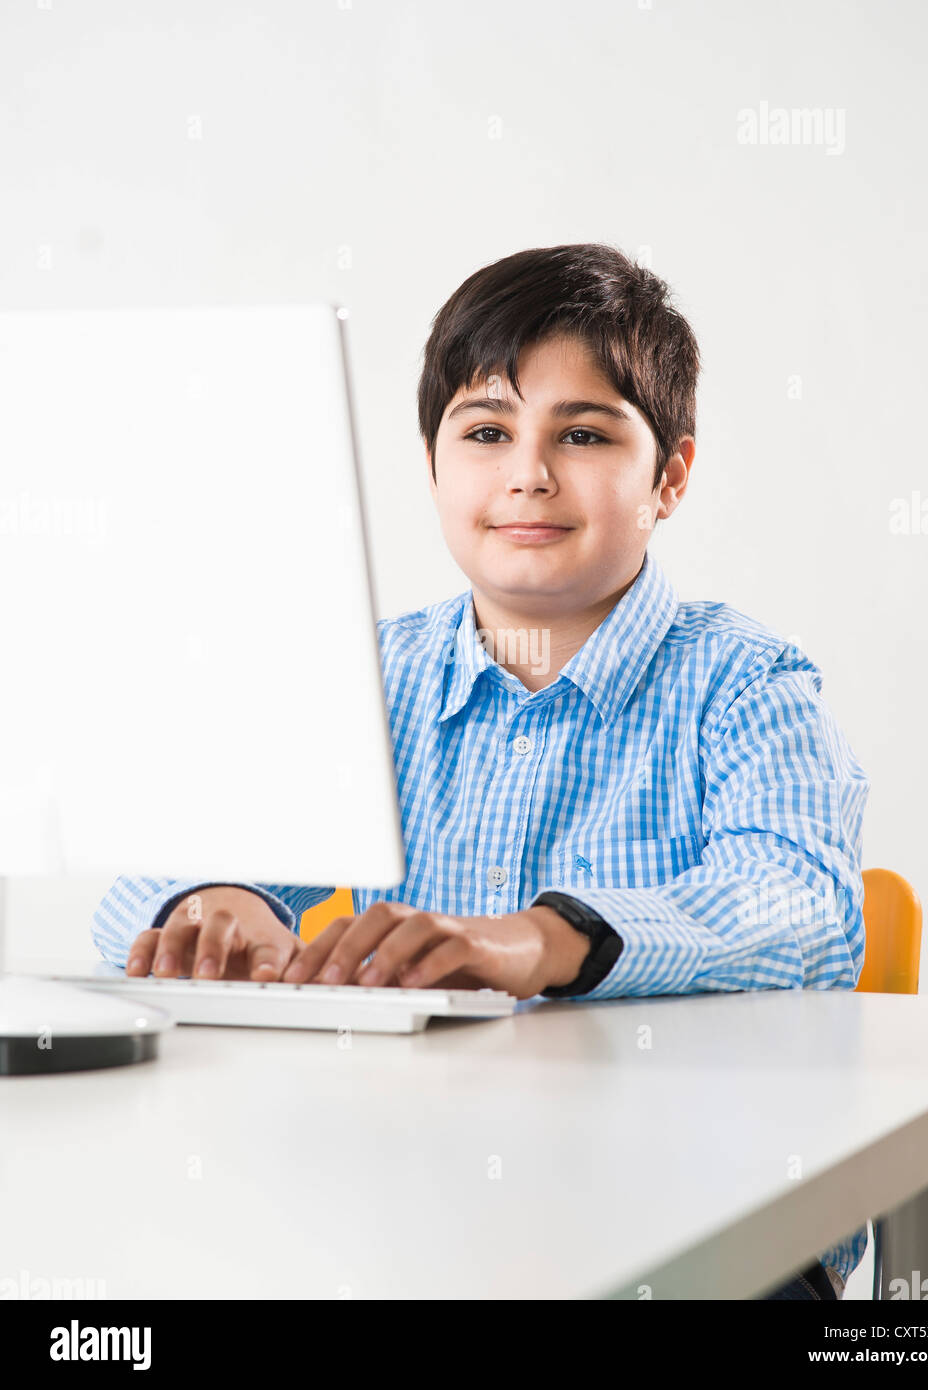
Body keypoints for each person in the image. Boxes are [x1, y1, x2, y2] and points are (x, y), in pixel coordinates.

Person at [92, 243, 868, 1299]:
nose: (528, 473)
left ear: (670, 475)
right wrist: (217, 897)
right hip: (408, 1214)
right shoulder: (359, 680)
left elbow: (805, 905)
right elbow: (137, 879)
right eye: (487, 431)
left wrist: (538, 939)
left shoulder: (745, 684)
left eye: (583, 433)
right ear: (433, 463)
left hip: (694, 1220)